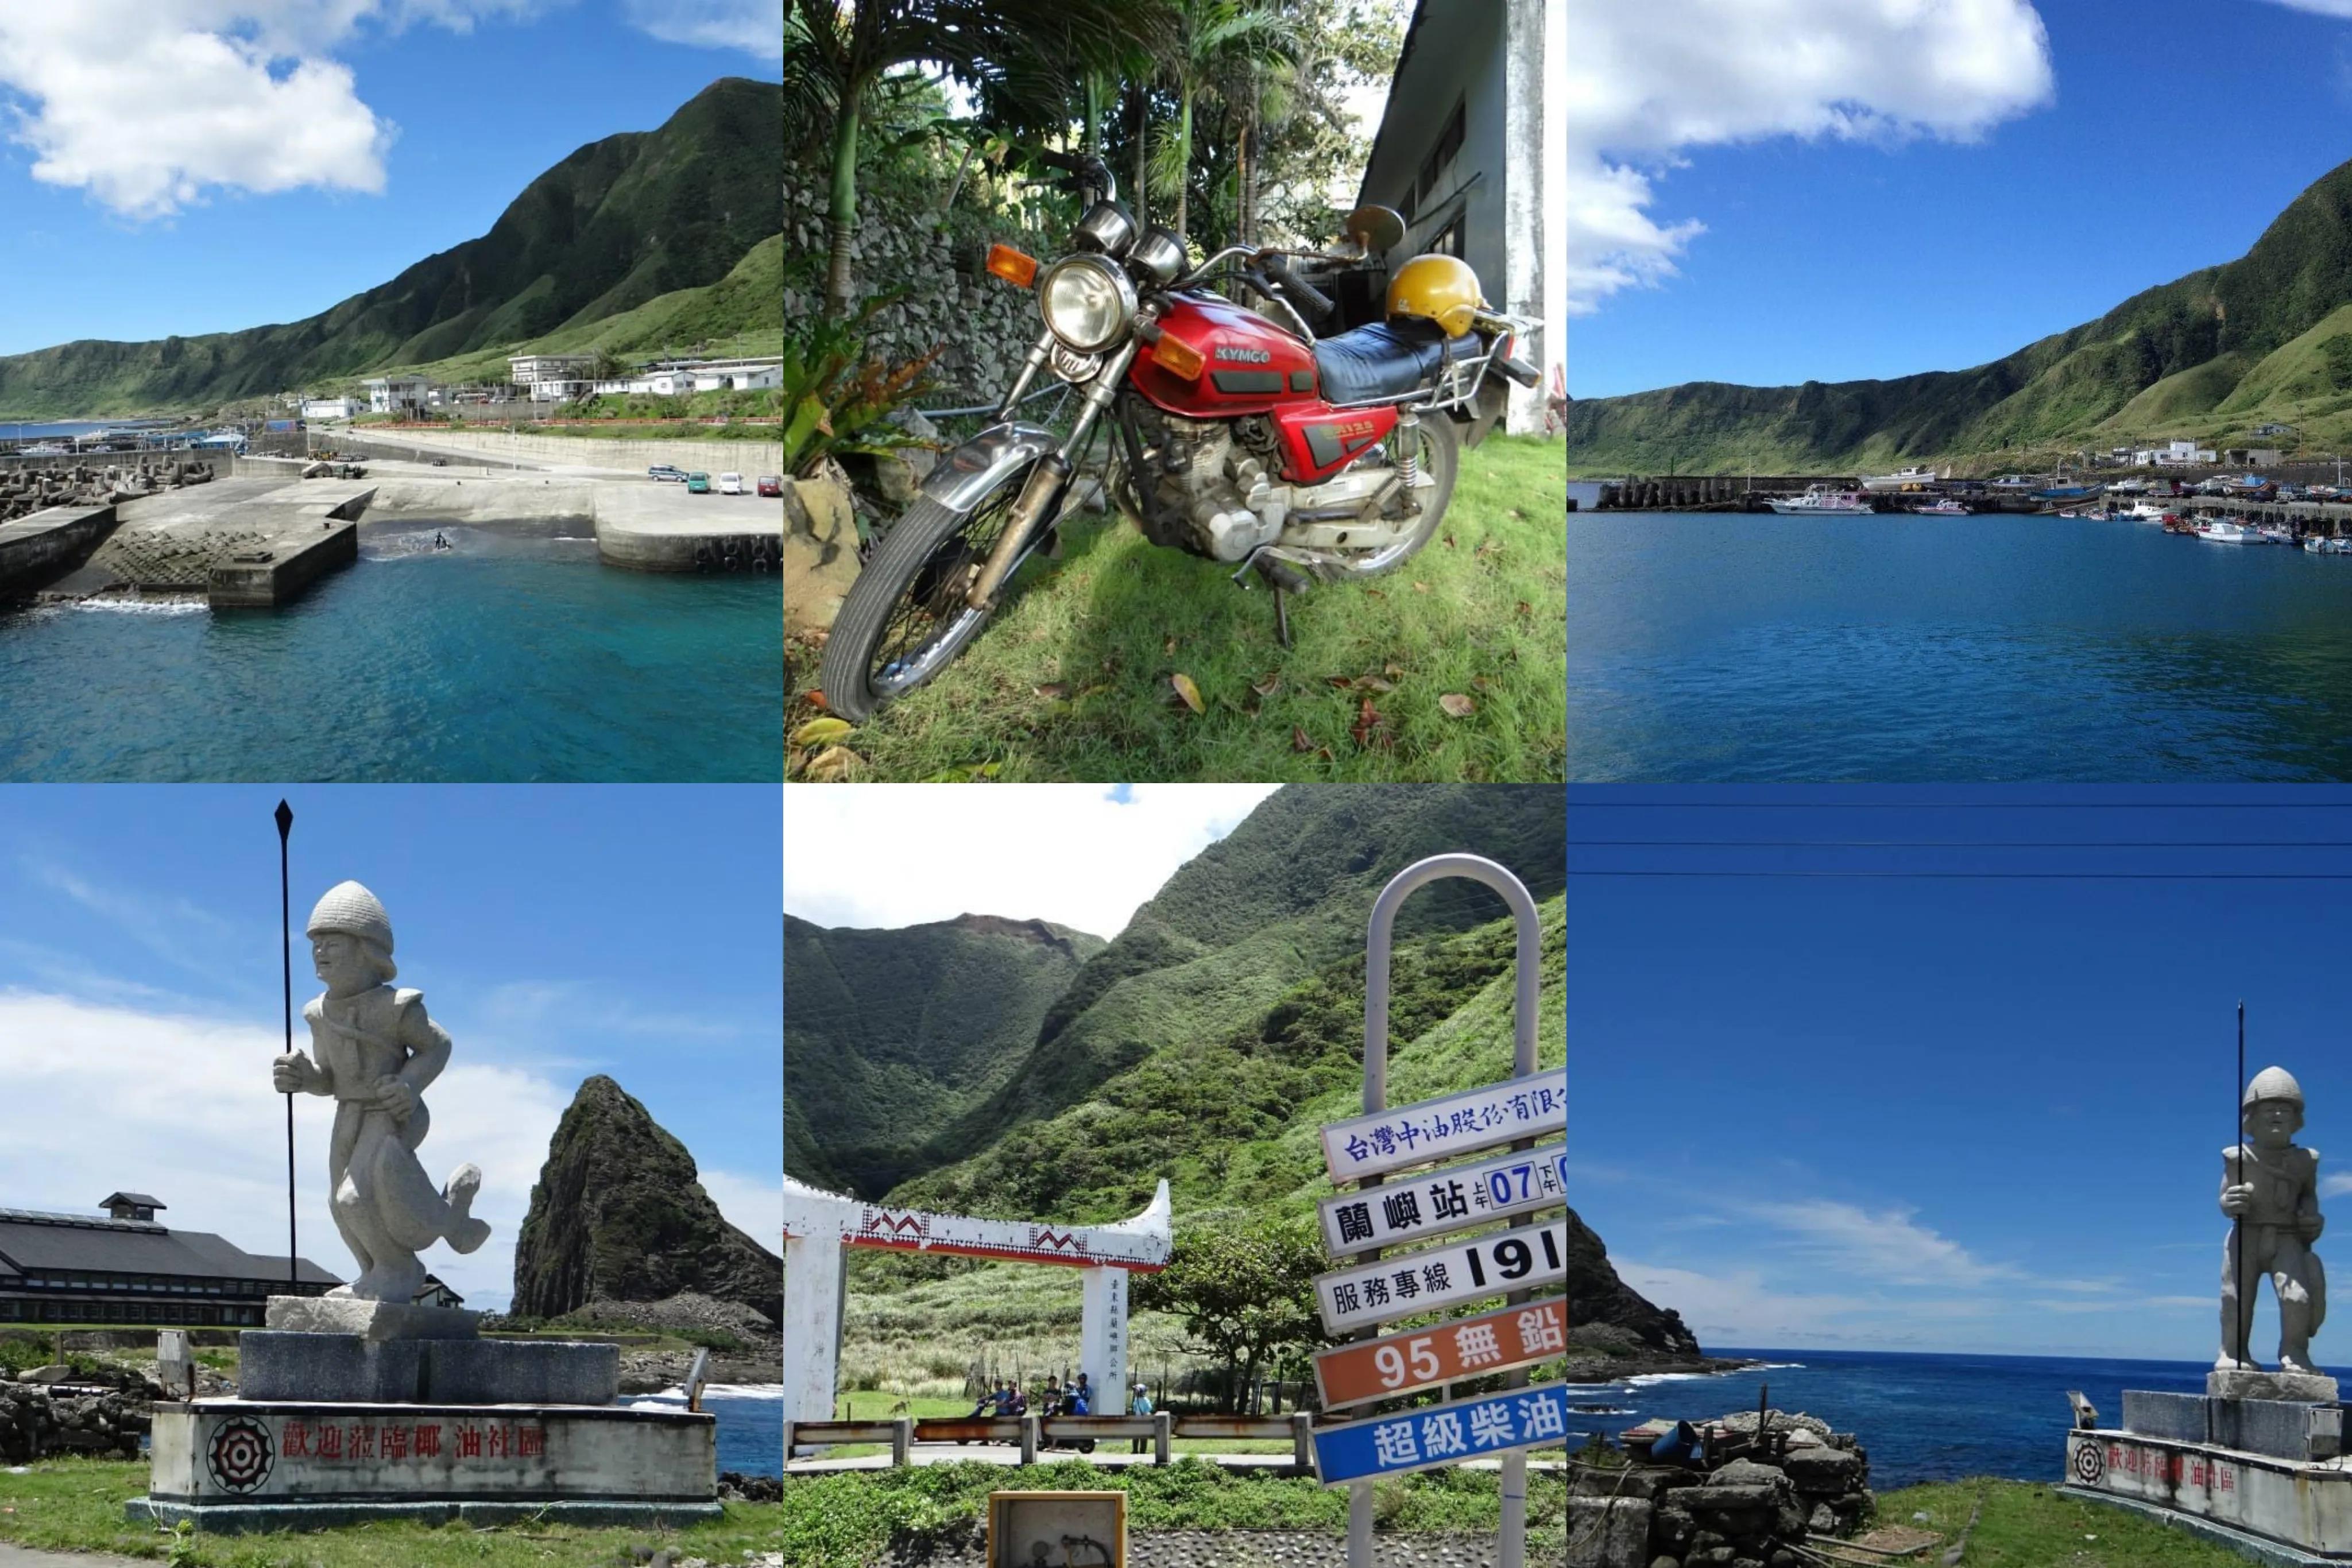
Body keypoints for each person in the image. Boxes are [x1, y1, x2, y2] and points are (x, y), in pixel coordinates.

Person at [1129, 1381, 1154, 1455]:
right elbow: (1135, 1407)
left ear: (1142, 1391)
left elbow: (1149, 1407)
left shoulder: (1145, 1400)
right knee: (1135, 1436)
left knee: (1143, 1436)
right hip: (1137, 1419)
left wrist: (1144, 1413)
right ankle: (1135, 1450)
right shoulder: (1136, 1399)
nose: (1135, 1392)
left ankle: (1143, 1451)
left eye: (1136, 1391)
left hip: (1144, 1420)